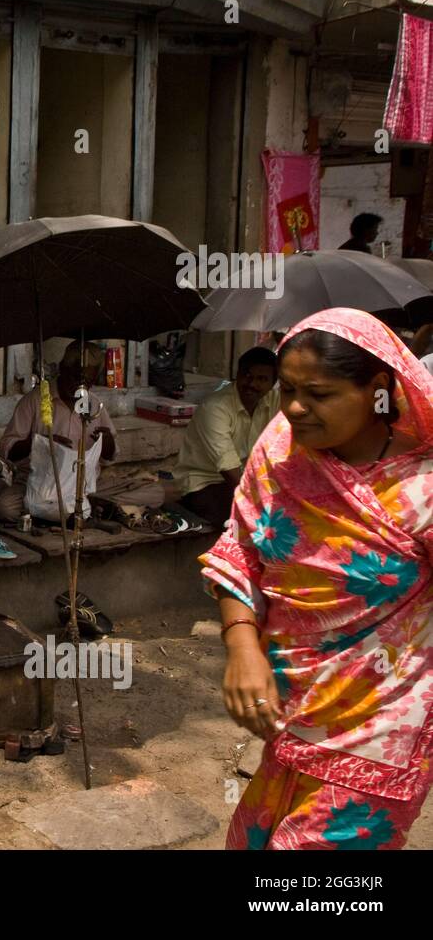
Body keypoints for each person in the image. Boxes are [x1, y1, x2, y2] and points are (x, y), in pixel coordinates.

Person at [201, 308, 433, 850]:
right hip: (290, 723)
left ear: (378, 390)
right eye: (286, 390)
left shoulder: (421, 488)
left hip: (381, 735)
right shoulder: (282, 453)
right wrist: (242, 648)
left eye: (319, 394)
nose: (295, 409)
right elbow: (240, 553)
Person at [0, 342, 119, 522]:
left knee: (150, 492)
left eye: (86, 383)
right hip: (38, 484)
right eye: (75, 378)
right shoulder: (35, 400)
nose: (79, 388)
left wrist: (107, 442)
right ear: (62, 370)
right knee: (5, 508)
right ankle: (67, 514)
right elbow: (7, 450)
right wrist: (41, 443)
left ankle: (65, 513)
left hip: (81, 486)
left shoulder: (95, 405)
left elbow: (111, 456)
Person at [172, 347, 280, 526]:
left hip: (247, 481)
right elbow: (228, 467)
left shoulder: (275, 401)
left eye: (262, 379)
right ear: (237, 374)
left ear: (273, 383)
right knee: (248, 518)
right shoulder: (215, 407)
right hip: (205, 482)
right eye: (247, 375)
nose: (252, 383)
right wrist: (259, 503)